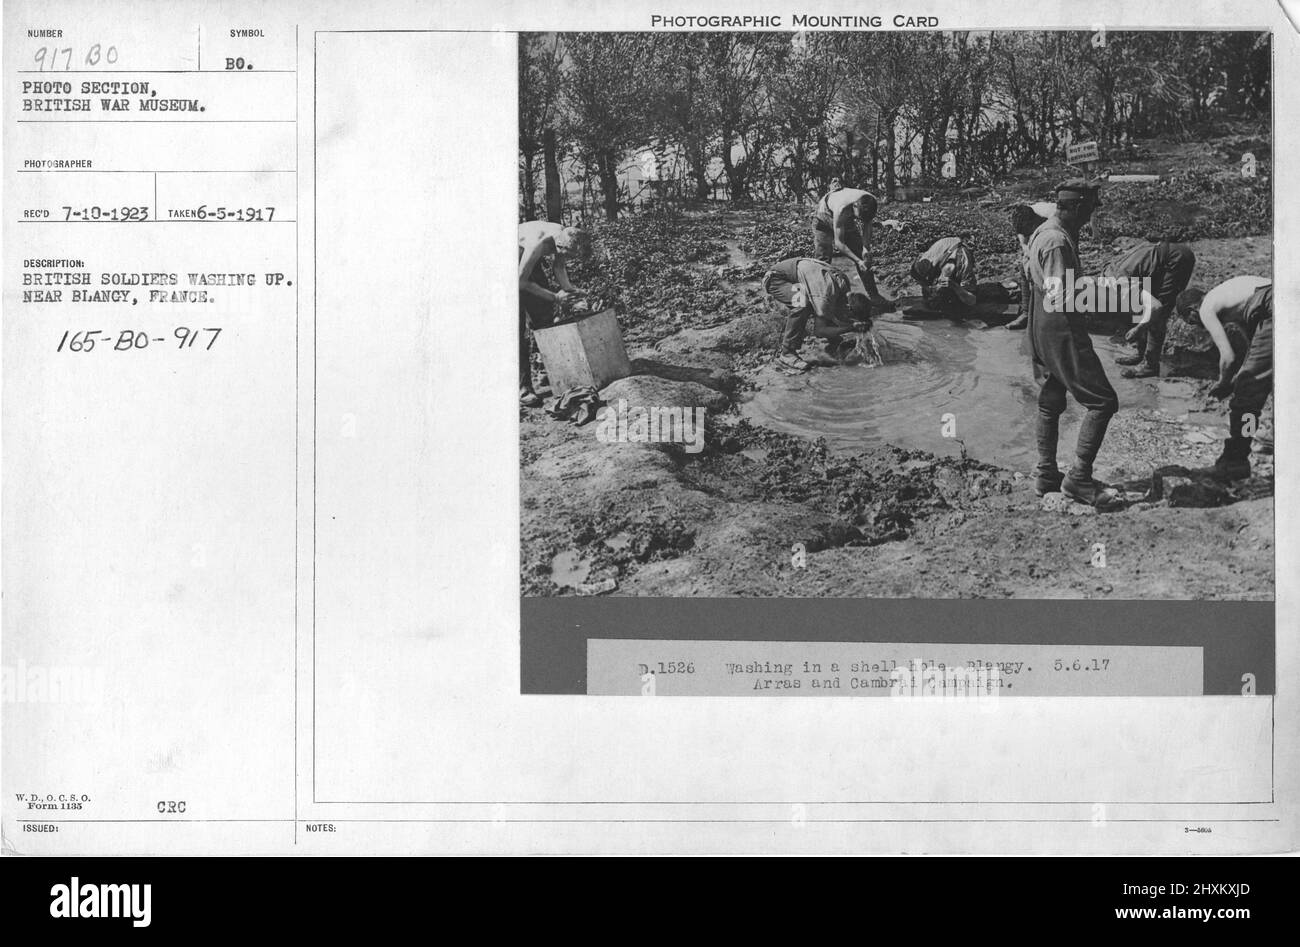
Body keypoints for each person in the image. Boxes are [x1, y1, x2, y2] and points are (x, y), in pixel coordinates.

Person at [1025, 180, 1121, 509]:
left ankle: (1045, 474)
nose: (1091, 217)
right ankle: (1078, 479)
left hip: (1039, 321)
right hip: (1059, 325)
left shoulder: (1046, 231)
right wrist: (1125, 295)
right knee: (1103, 402)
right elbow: (1063, 295)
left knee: (1051, 399)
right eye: (1090, 211)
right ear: (1078, 209)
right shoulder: (1055, 240)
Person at [1174, 276, 1272, 480]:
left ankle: (1237, 460)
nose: (1198, 326)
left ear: (1193, 310)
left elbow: (1228, 356)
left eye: (1191, 322)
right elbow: (1251, 350)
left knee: (1247, 398)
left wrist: (1223, 383)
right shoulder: (1229, 295)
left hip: (1276, 306)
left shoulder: (1206, 308)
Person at [518, 221, 590, 407]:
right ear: (558, 245)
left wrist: (570, 290)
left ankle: (545, 368)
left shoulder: (565, 235)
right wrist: (555, 297)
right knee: (517, 332)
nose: (566, 257)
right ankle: (524, 387)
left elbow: (558, 267)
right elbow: (520, 282)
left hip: (527, 264)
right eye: (566, 254)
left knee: (544, 315)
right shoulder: (537, 244)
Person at [1104, 240, 1196, 378]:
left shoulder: (1120, 282)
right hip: (1159, 262)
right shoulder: (1110, 273)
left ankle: (1150, 365)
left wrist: (1138, 328)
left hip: (1177, 260)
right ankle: (1141, 353)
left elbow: (1156, 308)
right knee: (1139, 305)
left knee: (1159, 311)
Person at [762, 256, 872, 372]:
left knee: (828, 309)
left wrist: (853, 325)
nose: (850, 320)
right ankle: (787, 353)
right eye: (852, 318)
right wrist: (850, 327)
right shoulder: (825, 294)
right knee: (802, 304)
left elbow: (838, 313)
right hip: (775, 279)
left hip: (797, 275)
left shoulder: (844, 287)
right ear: (849, 308)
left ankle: (834, 344)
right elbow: (819, 331)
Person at [810, 184, 890, 303]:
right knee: (823, 259)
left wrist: (865, 248)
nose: (861, 220)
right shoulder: (841, 208)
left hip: (846, 219)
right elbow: (839, 243)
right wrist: (858, 261)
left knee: (861, 253)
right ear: (855, 206)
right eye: (860, 217)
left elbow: (867, 224)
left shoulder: (870, 201)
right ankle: (818, 299)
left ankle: (874, 295)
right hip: (823, 219)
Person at [1005, 201, 1055, 330]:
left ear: (1034, 223)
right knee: (1024, 268)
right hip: (1037, 248)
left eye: (1028, 231)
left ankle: (1054, 315)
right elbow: (1025, 248)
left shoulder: (1053, 217)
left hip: (1055, 244)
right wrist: (1032, 267)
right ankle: (1027, 313)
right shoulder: (1022, 222)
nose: (1025, 234)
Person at [911, 236, 977, 310]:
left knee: (959, 303)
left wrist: (955, 286)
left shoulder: (963, 262)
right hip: (946, 249)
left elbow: (972, 301)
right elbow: (916, 275)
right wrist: (926, 288)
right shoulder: (924, 263)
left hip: (955, 257)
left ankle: (944, 294)